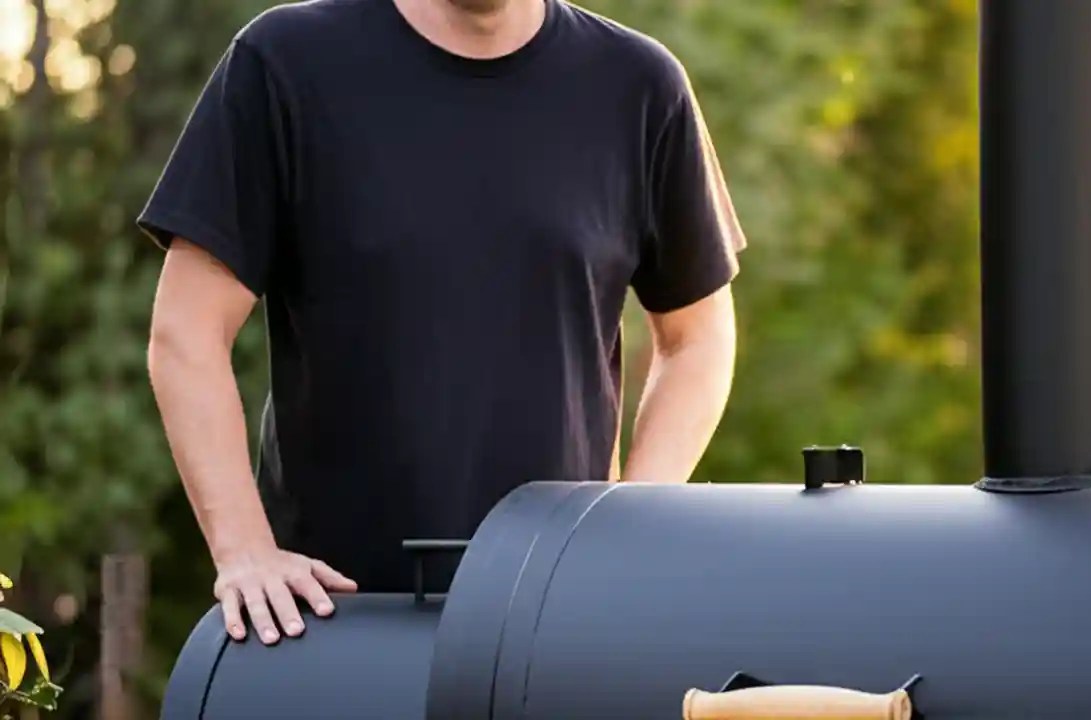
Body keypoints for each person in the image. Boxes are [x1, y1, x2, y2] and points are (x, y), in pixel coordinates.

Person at [141, 0, 745, 647]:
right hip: (327, 625)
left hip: (554, 627)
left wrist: (625, 521)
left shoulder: (639, 85)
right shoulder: (285, 63)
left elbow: (697, 339)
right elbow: (187, 333)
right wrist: (244, 551)